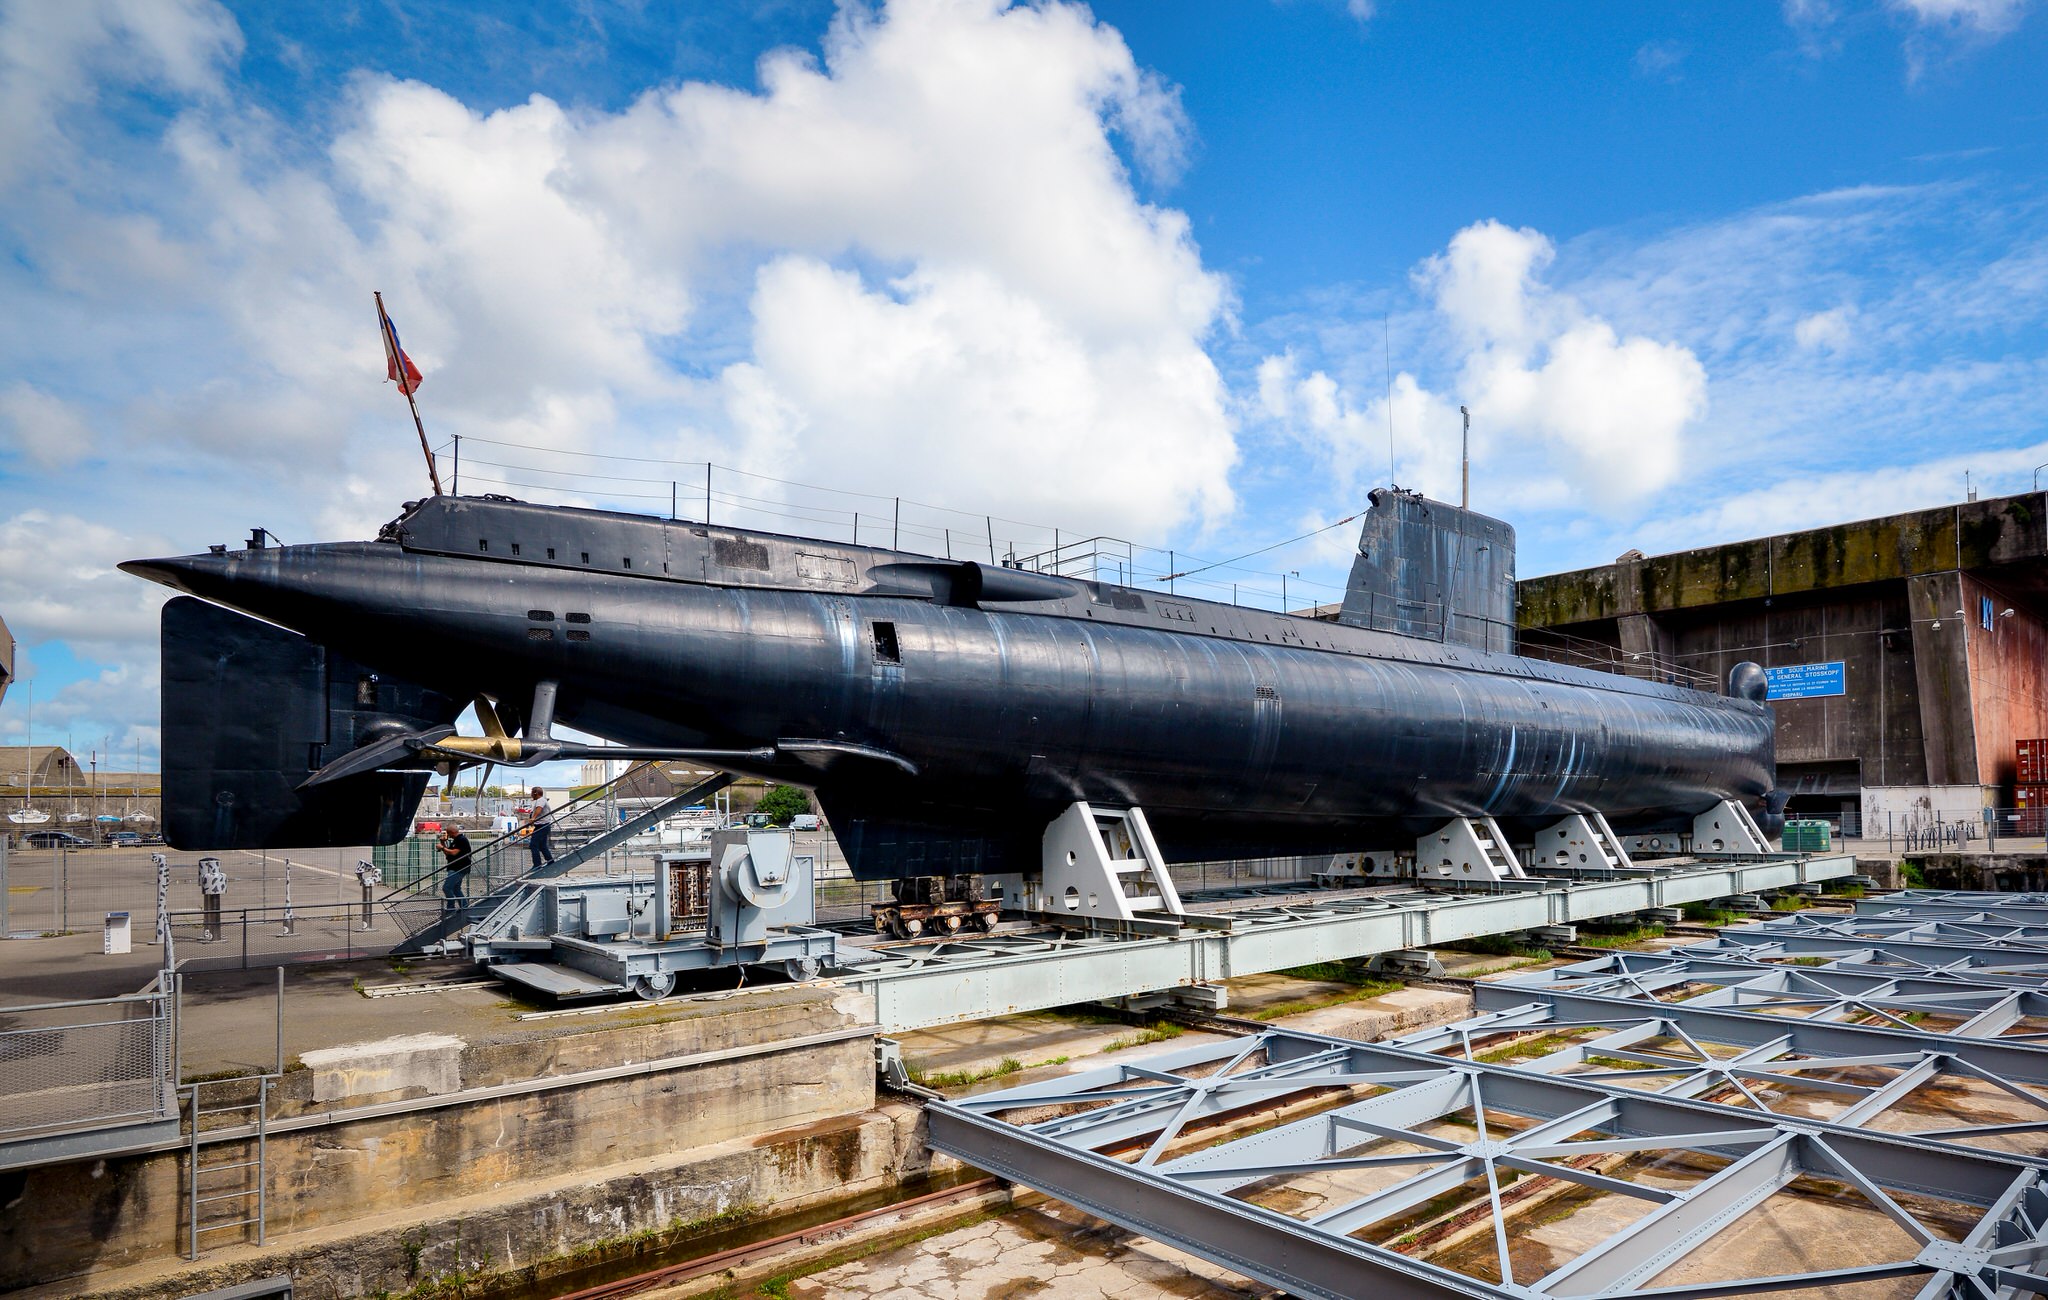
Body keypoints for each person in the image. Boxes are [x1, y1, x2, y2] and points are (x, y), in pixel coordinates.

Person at [438, 825, 473, 910]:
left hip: (459, 868)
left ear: (452, 832)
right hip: (454, 867)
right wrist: (443, 843)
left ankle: (451, 907)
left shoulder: (462, 840)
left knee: (447, 888)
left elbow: (454, 853)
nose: (448, 835)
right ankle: (464, 906)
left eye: (448, 833)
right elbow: (448, 853)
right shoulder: (455, 841)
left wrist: (442, 847)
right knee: (456, 888)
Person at [525, 787, 556, 869]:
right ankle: (550, 861)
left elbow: (539, 808)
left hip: (543, 825)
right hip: (542, 825)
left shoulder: (541, 800)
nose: (531, 795)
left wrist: (533, 818)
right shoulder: (541, 800)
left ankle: (537, 864)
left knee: (533, 845)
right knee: (542, 846)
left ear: (536, 793)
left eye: (532, 793)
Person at [197, 857, 226, 942]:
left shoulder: (212, 876)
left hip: (212, 887)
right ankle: (211, 934)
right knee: (210, 904)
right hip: (211, 886)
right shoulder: (209, 876)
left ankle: (213, 934)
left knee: (212, 905)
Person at [354, 859, 382, 931]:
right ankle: (366, 926)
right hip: (367, 884)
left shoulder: (367, 879)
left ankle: (367, 926)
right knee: (366, 905)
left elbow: (359, 873)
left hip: (368, 885)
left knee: (367, 905)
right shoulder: (367, 879)